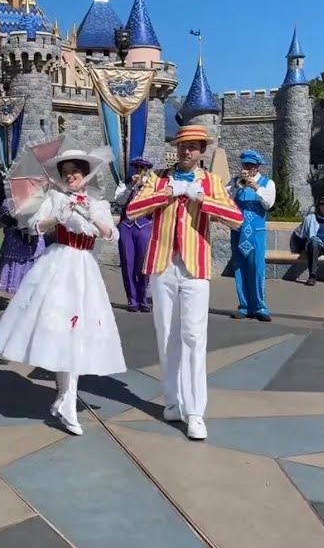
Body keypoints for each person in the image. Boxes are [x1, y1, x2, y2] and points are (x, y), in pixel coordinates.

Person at [0, 149, 126, 436]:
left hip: (84, 267)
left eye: (75, 171)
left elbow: (112, 236)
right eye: (66, 173)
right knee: (61, 329)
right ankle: (67, 397)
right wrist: (58, 217)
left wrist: (92, 215)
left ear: (84, 174)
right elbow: (35, 227)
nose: (71, 176)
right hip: (59, 262)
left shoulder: (96, 202)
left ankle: (66, 396)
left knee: (78, 331)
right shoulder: (56, 197)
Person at [125, 125, 243, 441]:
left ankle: (195, 412)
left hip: (194, 266)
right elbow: (133, 209)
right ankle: (173, 401)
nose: (187, 151)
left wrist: (201, 199)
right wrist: (168, 193)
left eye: (193, 146)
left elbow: (235, 218)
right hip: (162, 265)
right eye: (182, 146)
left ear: (202, 149)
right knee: (166, 336)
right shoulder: (158, 177)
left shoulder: (211, 181)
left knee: (193, 336)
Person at [225, 150, 276, 320]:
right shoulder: (235, 182)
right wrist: (236, 186)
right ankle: (244, 306)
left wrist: (255, 187)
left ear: (257, 166)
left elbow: (268, 204)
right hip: (239, 231)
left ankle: (260, 307)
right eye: (245, 165)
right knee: (240, 267)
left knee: (257, 269)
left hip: (256, 233)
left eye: (251, 165)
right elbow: (225, 198)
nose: (248, 168)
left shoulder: (267, 183)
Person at [115, 156, 155, 313]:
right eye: (136, 167)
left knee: (143, 263)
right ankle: (132, 299)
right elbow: (119, 201)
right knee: (127, 262)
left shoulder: (151, 186)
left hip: (144, 225)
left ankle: (143, 298)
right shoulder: (124, 184)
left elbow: (155, 204)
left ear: (147, 170)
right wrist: (131, 186)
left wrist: (145, 188)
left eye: (142, 167)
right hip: (126, 226)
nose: (139, 170)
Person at [0, 199, 44, 294]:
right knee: (18, 265)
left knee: (33, 266)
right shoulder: (12, 197)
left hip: (34, 240)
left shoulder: (42, 196)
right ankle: (18, 298)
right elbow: (3, 217)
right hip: (15, 237)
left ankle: (28, 297)